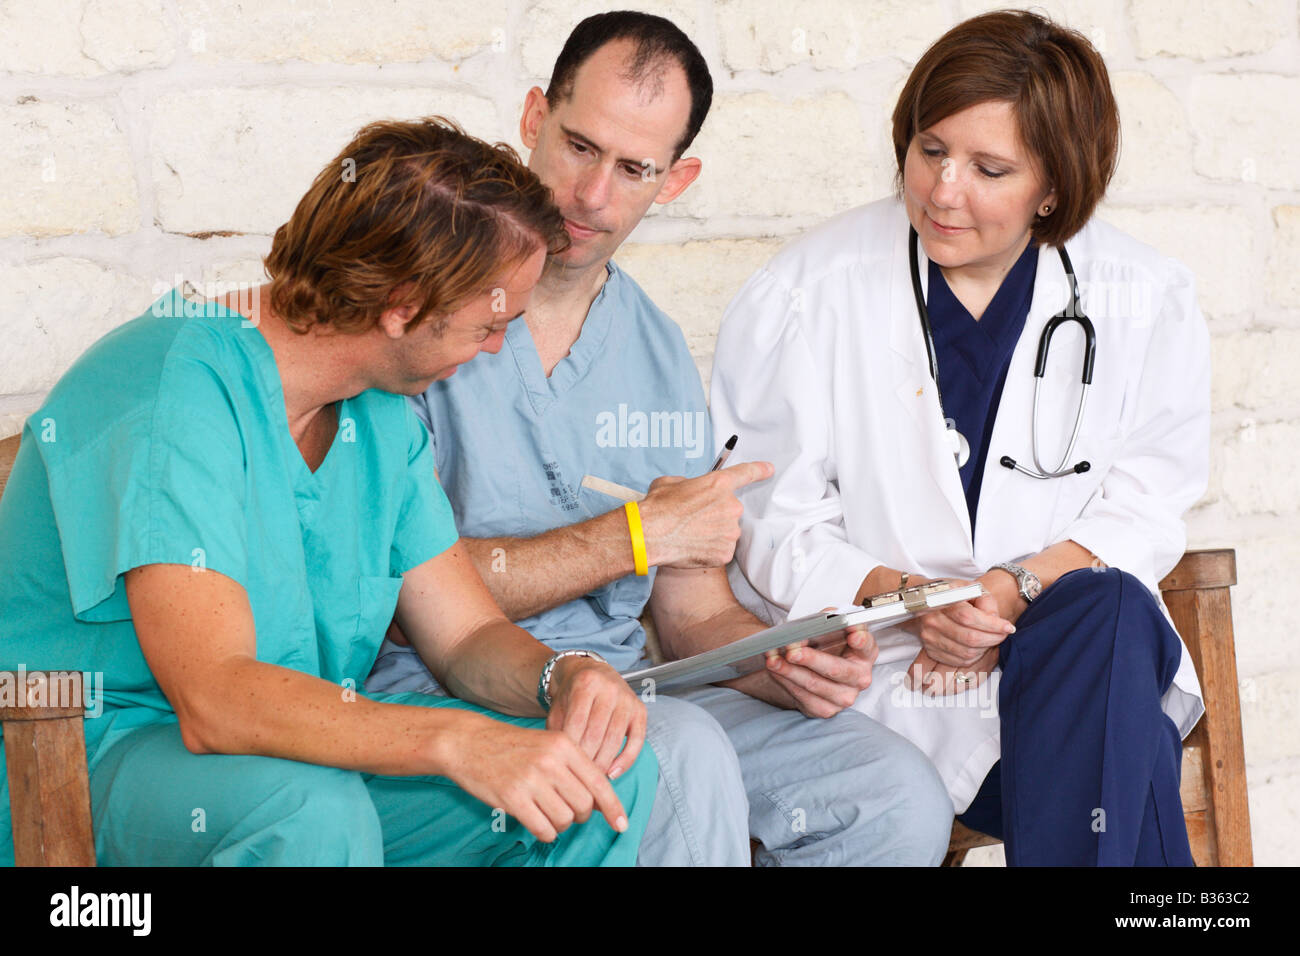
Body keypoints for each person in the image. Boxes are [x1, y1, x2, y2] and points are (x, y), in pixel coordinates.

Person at [367, 11, 954, 867]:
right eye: (577, 146)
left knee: (892, 795)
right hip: (459, 697)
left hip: (642, 691)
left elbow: (688, 615)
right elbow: (406, 601)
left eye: (634, 167)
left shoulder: (658, 353)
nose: (592, 195)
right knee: (677, 752)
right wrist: (632, 535)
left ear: (675, 181)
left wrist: (772, 661)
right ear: (533, 118)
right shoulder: (429, 321)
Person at [0, 116, 661, 867]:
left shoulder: (378, 418)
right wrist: (456, 740)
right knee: (311, 813)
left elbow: (464, 636)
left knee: (603, 784)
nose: (497, 347)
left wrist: (564, 675)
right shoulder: (174, 390)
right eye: (489, 322)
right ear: (403, 305)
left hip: (296, 758)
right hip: (89, 758)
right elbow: (214, 699)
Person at [710, 10, 1208, 866]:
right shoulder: (807, 289)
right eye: (930, 149)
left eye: (990, 169)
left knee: (1110, 608)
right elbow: (770, 514)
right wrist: (914, 600)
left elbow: (1152, 502)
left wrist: (1011, 589)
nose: (944, 190)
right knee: (1125, 763)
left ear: (1053, 186)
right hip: (905, 679)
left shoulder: (1144, 294)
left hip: (1075, 657)